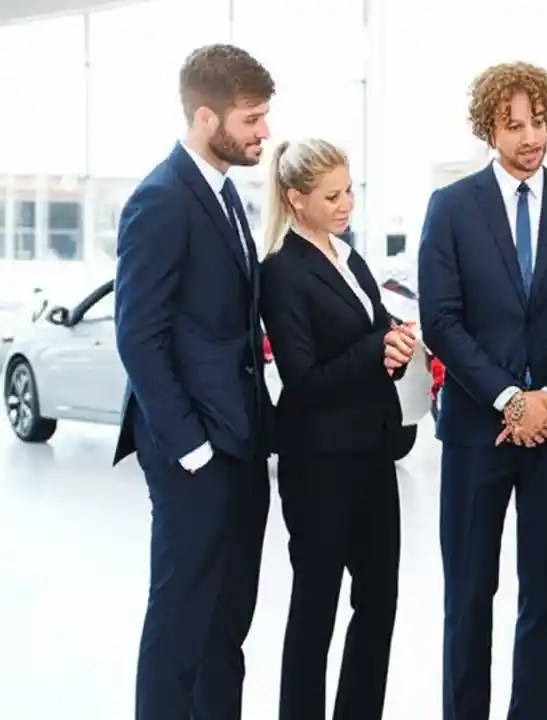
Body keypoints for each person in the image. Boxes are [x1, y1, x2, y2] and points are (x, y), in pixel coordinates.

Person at [417, 61, 547, 720]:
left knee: (544, 599)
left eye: (541, 122)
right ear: (488, 128)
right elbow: (441, 321)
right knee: (468, 595)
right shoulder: (451, 207)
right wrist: (508, 398)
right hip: (477, 432)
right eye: (515, 125)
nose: (532, 137)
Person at [112, 43, 275, 719]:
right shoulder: (160, 199)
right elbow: (137, 336)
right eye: (251, 119)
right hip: (193, 452)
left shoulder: (226, 194)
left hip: (238, 437)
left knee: (227, 623)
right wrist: (191, 448)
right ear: (206, 119)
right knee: (182, 620)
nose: (264, 131)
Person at [258, 138, 417, 720]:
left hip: (373, 453)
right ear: (296, 200)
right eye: (331, 195)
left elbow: (369, 337)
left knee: (379, 601)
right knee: (316, 606)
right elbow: (302, 379)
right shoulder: (281, 271)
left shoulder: (351, 259)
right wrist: (377, 347)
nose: (346, 203)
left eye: (350, 189)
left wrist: (395, 341)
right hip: (319, 464)